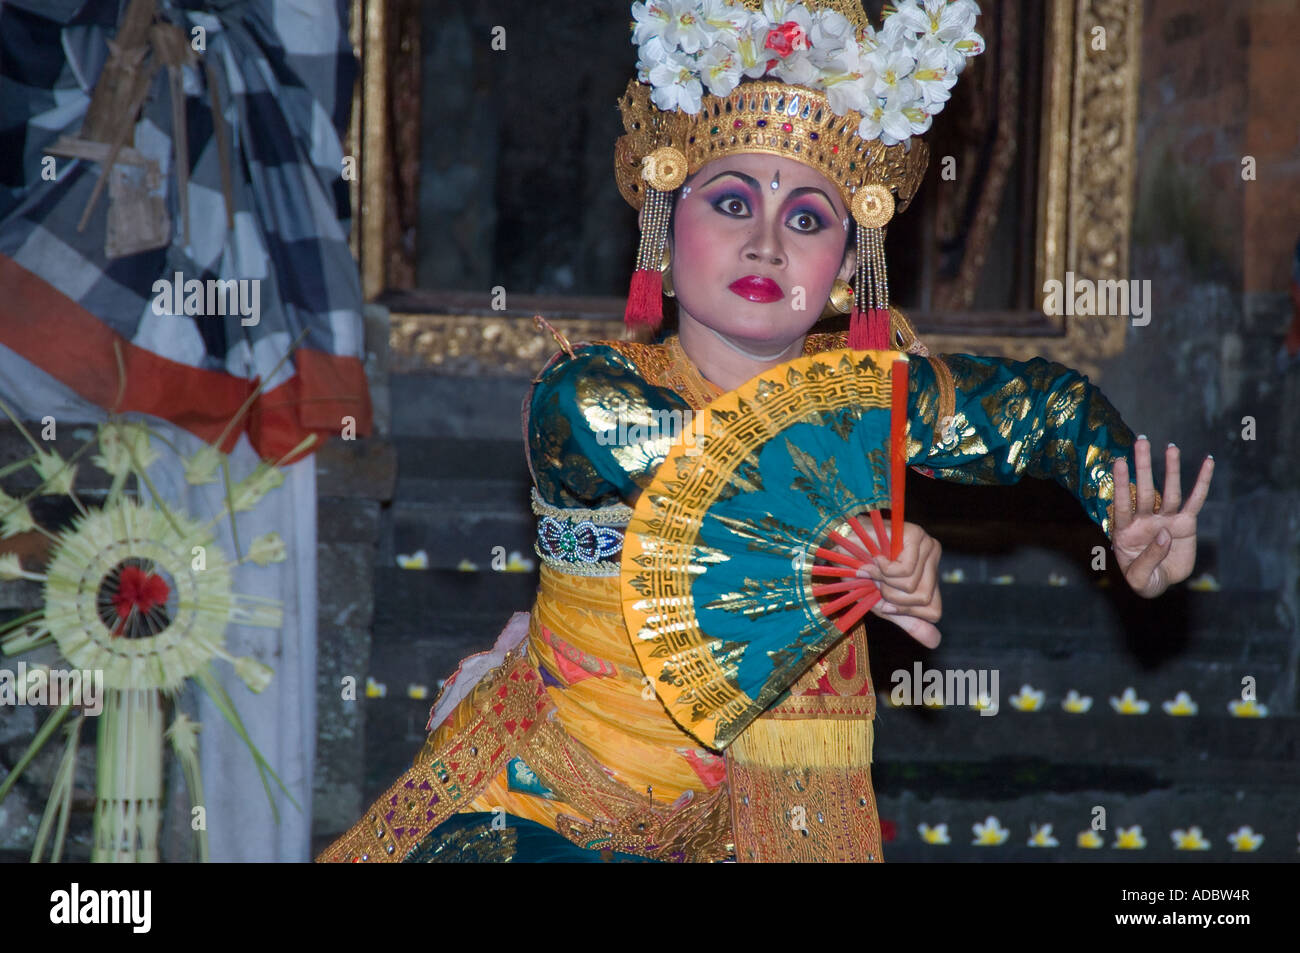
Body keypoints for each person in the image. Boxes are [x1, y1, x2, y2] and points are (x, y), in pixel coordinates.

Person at [319, 0, 1213, 863]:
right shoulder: (585, 395)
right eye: (732, 202)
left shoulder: (860, 401)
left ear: (846, 268)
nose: (767, 244)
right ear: (666, 225)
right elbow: (713, 468)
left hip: (738, 833)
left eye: (808, 218)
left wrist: (1120, 497)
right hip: (537, 819)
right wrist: (846, 539)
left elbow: (1042, 409)